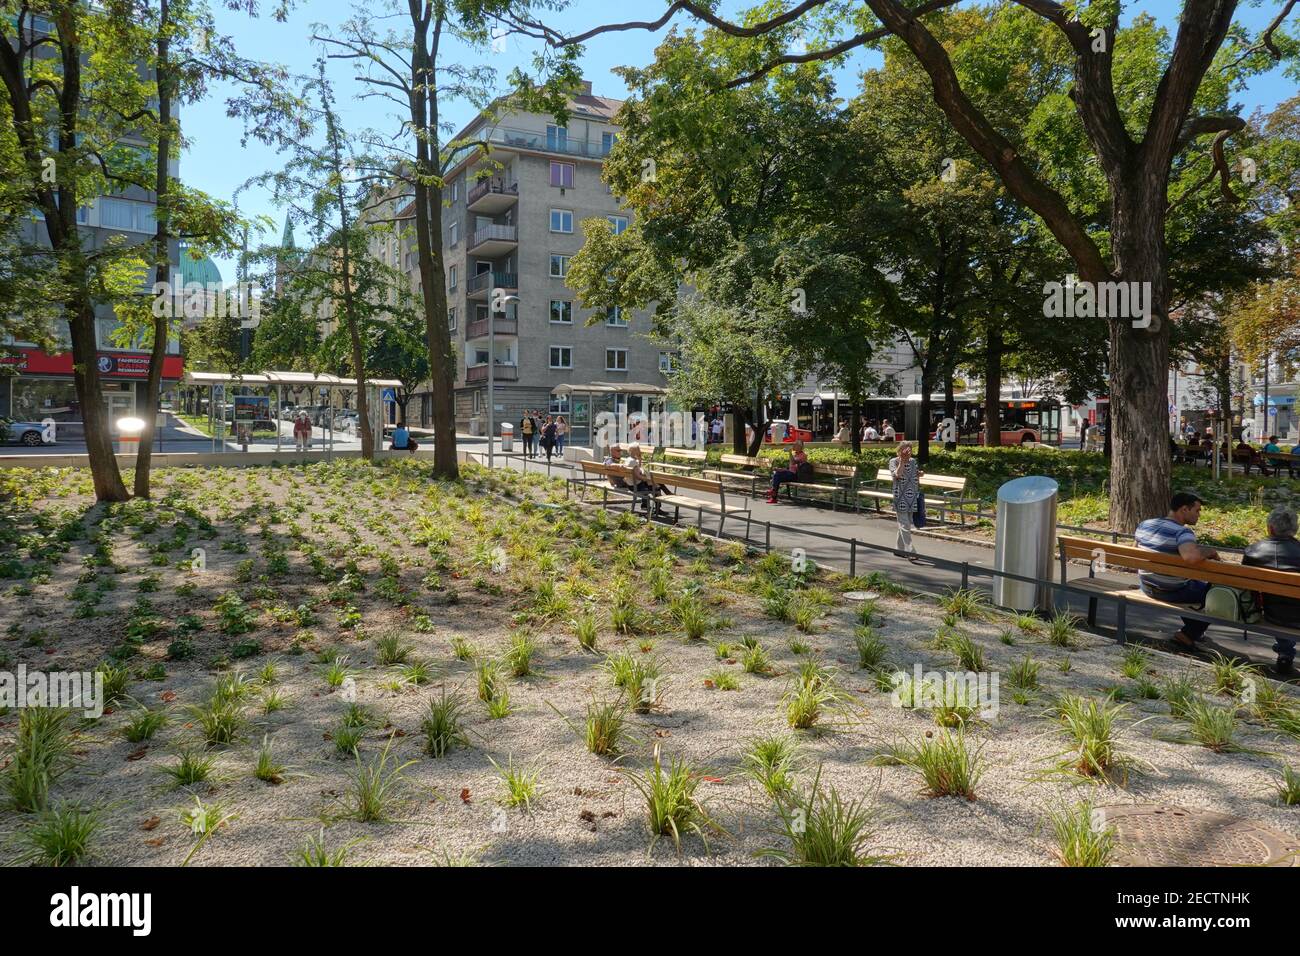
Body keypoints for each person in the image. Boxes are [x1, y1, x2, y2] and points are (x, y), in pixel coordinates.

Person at [1135, 491, 1221, 651]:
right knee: (1215, 596)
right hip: (1170, 590)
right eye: (1197, 510)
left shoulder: (1145, 524)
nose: (1199, 515)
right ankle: (1188, 634)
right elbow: (1190, 557)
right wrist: (1210, 552)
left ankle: (1193, 628)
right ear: (1184, 510)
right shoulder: (1182, 532)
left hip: (1147, 586)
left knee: (1194, 585)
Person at [1242, 506, 1300, 673]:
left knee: (1277, 600)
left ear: (1270, 528)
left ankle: (1285, 652)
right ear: (1295, 529)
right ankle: (1285, 652)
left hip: (1271, 613)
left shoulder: (1253, 551)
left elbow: (1246, 585)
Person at [889, 441, 923, 561]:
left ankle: (898, 549)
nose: (907, 453)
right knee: (905, 525)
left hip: (912, 496)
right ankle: (910, 550)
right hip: (900, 497)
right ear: (898, 450)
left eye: (909, 450)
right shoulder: (894, 461)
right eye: (904, 450)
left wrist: (919, 474)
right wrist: (902, 461)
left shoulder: (913, 461)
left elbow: (914, 474)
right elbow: (897, 475)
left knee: (905, 523)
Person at [767, 439, 809, 504]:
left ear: (801, 447)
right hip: (790, 474)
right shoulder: (795, 454)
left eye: (796, 444)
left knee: (777, 476)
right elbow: (790, 468)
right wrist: (780, 469)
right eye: (794, 444)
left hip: (796, 476)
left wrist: (789, 452)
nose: (794, 446)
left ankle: (773, 495)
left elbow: (793, 462)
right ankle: (773, 493)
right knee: (777, 474)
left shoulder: (803, 455)